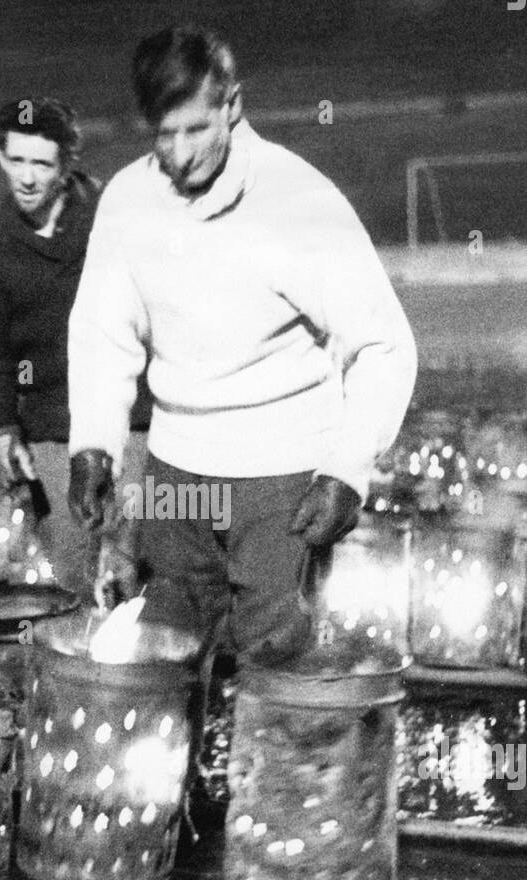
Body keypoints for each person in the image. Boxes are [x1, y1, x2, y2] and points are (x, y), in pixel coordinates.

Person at [67, 25, 418, 664]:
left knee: (275, 657)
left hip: (280, 478)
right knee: (168, 656)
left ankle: (266, 764)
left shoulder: (300, 201)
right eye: (163, 135)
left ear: (232, 105)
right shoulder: (128, 203)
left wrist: (347, 469)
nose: (179, 154)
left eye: (196, 130)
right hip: (176, 475)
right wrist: (94, 445)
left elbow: (384, 345)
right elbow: (100, 334)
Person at [0, 97, 150, 596]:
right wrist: (3, 431)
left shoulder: (111, 218)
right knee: (76, 583)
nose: (27, 178)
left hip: (133, 421)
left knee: (141, 573)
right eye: (18, 161)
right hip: (52, 427)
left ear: (66, 165)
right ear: (0, 158)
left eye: (42, 164)